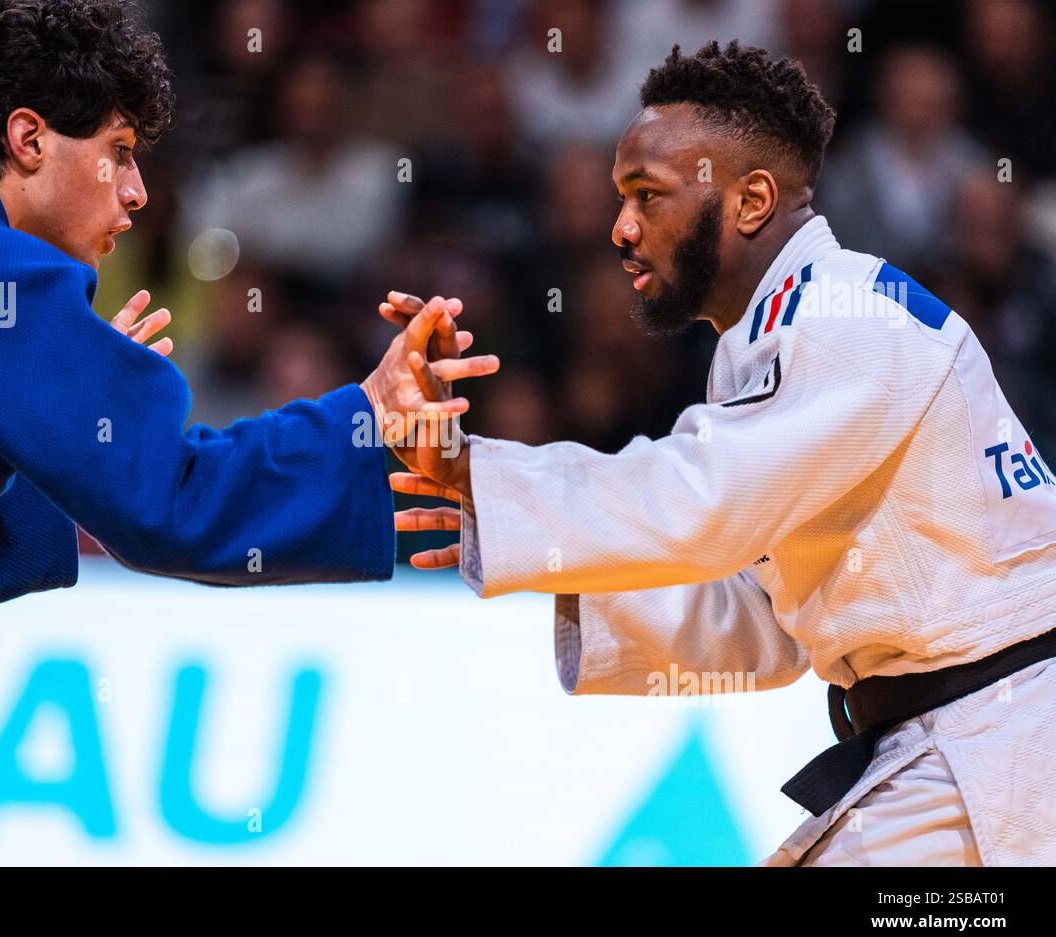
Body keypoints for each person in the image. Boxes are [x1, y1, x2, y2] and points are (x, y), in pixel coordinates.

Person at [0, 0, 496, 866]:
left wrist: (57, 431)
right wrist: (365, 417)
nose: (139, 192)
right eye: (117, 152)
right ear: (29, 139)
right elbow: (171, 500)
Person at [385, 41, 1056, 866]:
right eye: (620, 197)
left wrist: (479, 471)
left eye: (648, 196)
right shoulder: (780, 331)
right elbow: (769, 622)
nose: (621, 229)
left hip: (1001, 740)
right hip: (972, 736)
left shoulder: (840, 319)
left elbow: (700, 504)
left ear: (750, 201)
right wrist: (540, 549)